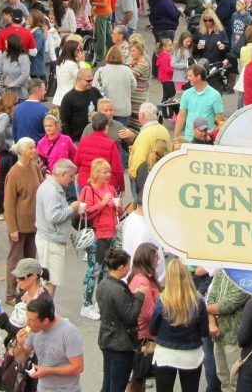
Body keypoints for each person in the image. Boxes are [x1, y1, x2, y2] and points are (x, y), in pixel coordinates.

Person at [151, 259, 209, 392]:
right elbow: (204, 332)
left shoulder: (162, 300)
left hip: (166, 354)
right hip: (191, 354)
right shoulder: (198, 301)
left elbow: (153, 329)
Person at [78, 157, 121, 320]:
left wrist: (119, 206)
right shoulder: (88, 190)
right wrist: (102, 203)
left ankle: (99, 301)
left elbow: (117, 212)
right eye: (104, 172)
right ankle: (86, 304)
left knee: (106, 270)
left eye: (109, 171)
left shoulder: (110, 188)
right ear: (96, 173)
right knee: (93, 270)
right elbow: (85, 213)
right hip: (96, 236)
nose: (108, 175)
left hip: (111, 233)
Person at [98, 248, 146, 392]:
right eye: (128, 265)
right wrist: (139, 297)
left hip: (106, 339)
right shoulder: (117, 290)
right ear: (121, 267)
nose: (129, 268)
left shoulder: (103, 283)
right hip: (120, 344)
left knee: (107, 383)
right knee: (117, 385)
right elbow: (131, 316)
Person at [14, 295, 85, 392]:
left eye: (31, 320)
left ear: (45, 321)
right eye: (27, 318)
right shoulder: (35, 330)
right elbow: (20, 358)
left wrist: (49, 371)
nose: (27, 323)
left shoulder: (69, 332)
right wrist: (19, 345)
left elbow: (78, 367)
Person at [3, 137, 42, 304]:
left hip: (34, 225)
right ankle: (11, 294)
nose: (34, 150)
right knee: (15, 261)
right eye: (31, 148)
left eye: (34, 147)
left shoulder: (34, 167)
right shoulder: (14, 174)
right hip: (19, 227)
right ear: (21, 152)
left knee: (30, 261)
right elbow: (9, 204)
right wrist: (12, 229)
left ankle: (26, 292)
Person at [35, 159, 80, 298]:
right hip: (51, 241)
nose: (72, 180)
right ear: (63, 174)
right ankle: (45, 312)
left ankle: (47, 310)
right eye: (71, 176)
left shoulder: (51, 186)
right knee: (50, 282)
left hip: (50, 239)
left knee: (50, 281)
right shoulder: (51, 191)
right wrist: (71, 209)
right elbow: (53, 216)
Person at [206, 268, 250, 392]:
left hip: (234, 337)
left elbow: (226, 306)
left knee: (236, 379)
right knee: (222, 377)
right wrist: (212, 323)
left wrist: (199, 307)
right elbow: (211, 298)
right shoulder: (221, 272)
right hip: (218, 335)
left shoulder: (244, 278)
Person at [128, 243, 163, 392]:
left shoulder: (139, 277)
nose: (158, 260)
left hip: (140, 334)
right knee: (138, 379)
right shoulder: (143, 281)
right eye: (156, 257)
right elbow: (149, 314)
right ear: (148, 259)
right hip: (144, 337)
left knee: (139, 378)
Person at [173, 64, 224, 144]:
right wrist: (175, 139)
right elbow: (181, 117)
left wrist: (212, 136)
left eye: (190, 76)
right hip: (188, 139)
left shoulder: (215, 95)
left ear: (198, 77)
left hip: (205, 140)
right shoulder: (186, 94)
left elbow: (220, 120)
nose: (188, 78)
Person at [75, 112, 125, 193]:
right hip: (106, 186)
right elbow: (117, 169)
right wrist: (122, 187)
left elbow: (77, 162)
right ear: (106, 127)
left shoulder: (84, 141)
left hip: (85, 184)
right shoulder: (111, 144)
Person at [0, 92, 19, 219]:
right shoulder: (5, 117)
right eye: (15, 103)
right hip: (4, 153)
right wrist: (5, 145)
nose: (17, 106)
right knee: (4, 182)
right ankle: (1, 210)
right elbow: (1, 131)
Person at [0, 34, 30, 99]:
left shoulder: (23, 57)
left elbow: (25, 74)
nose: (5, 44)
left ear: (12, 44)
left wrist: (14, 84)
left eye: (7, 43)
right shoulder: (5, 54)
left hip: (19, 92)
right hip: (6, 91)